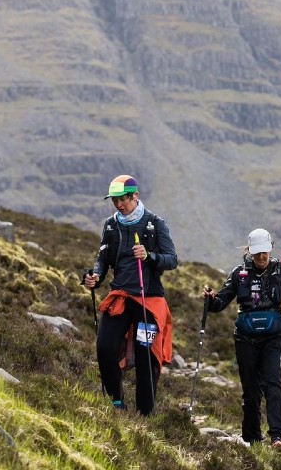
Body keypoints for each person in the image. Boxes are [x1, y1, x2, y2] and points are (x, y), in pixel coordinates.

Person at [82, 174, 178, 415]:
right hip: (121, 296)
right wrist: (95, 276)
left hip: (149, 299)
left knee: (146, 356)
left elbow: (172, 260)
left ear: (135, 196)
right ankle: (116, 402)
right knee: (104, 347)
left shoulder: (155, 223)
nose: (118, 204)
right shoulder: (111, 225)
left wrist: (149, 256)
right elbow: (102, 259)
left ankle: (146, 413)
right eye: (114, 200)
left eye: (122, 199)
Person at [203, 228, 281, 447]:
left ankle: (277, 436)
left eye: (265, 252)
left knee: (273, 383)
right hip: (246, 339)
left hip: (274, 338)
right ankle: (251, 437)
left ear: (270, 250)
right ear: (249, 251)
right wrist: (210, 299)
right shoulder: (239, 274)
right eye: (257, 253)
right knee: (250, 389)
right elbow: (220, 302)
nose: (261, 257)